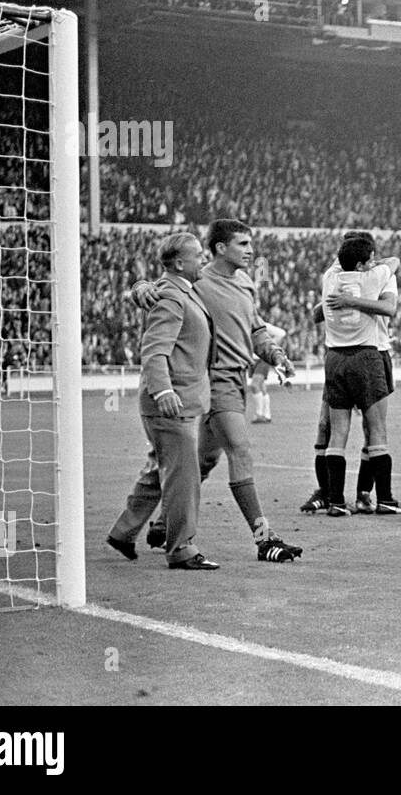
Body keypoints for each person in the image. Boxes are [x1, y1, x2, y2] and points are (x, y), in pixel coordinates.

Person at [132, 221, 302, 563]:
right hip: (216, 380)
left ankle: (158, 524)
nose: (251, 250)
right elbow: (162, 287)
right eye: (243, 243)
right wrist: (140, 287)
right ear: (220, 248)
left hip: (237, 380)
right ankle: (264, 538)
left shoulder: (245, 282)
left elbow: (256, 328)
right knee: (240, 450)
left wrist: (275, 354)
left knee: (201, 460)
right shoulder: (199, 281)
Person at [107, 233, 218, 570]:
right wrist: (164, 391)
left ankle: (124, 531)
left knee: (159, 470)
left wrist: (139, 286)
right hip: (172, 403)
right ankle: (181, 548)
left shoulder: (178, 290)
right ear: (180, 263)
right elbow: (154, 349)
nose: (205, 260)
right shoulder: (172, 295)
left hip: (178, 400)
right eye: (199, 255)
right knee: (183, 475)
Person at [302, 233, 401, 515]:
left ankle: (355, 496)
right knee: (366, 429)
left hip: (343, 355)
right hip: (366, 354)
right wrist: (352, 300)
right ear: (363, 261)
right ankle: (361, 496)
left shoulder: (331, 278)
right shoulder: (376, 276)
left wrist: (345, 301)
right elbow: (392, 272)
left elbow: (388, 306)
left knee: (348, 430)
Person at [249, 323, 288, 423]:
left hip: (262, 359)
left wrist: (269, 348)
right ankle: (267, 415)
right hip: (251, 359)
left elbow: (281, 333)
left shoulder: (262, 324)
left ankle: (259, 414)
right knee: (262, 387)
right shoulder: (246, 321)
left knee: (254, 385)